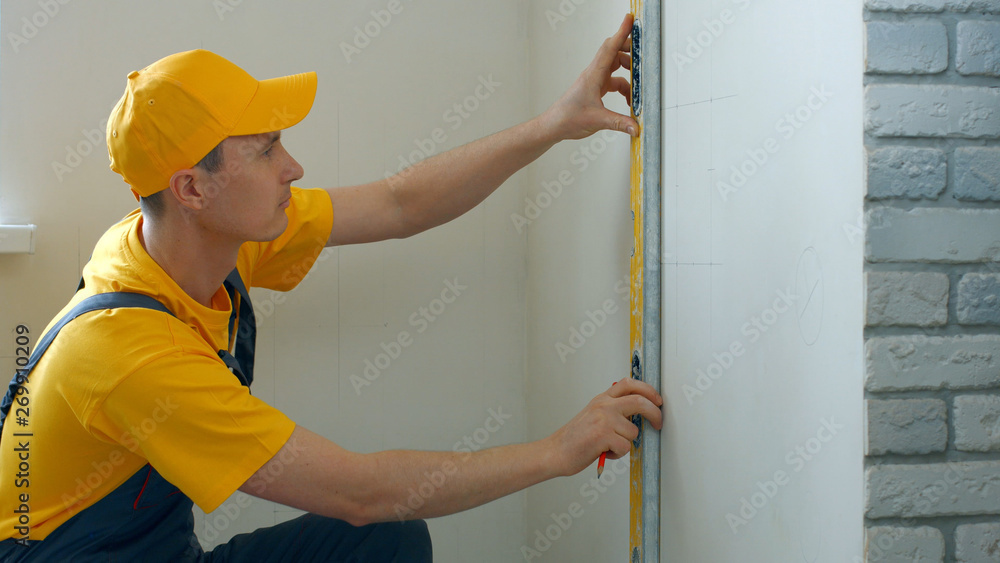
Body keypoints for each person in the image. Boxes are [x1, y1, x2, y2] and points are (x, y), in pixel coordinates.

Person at [0, 14, 662, 562]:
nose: (293, 167)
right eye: (265, 150)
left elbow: (399, 204)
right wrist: (557, 451)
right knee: (378, 517)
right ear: (193, 188)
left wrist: (554, 123)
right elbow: (361, 491)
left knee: (386, 541)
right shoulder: (132, 356)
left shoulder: (180, 242)